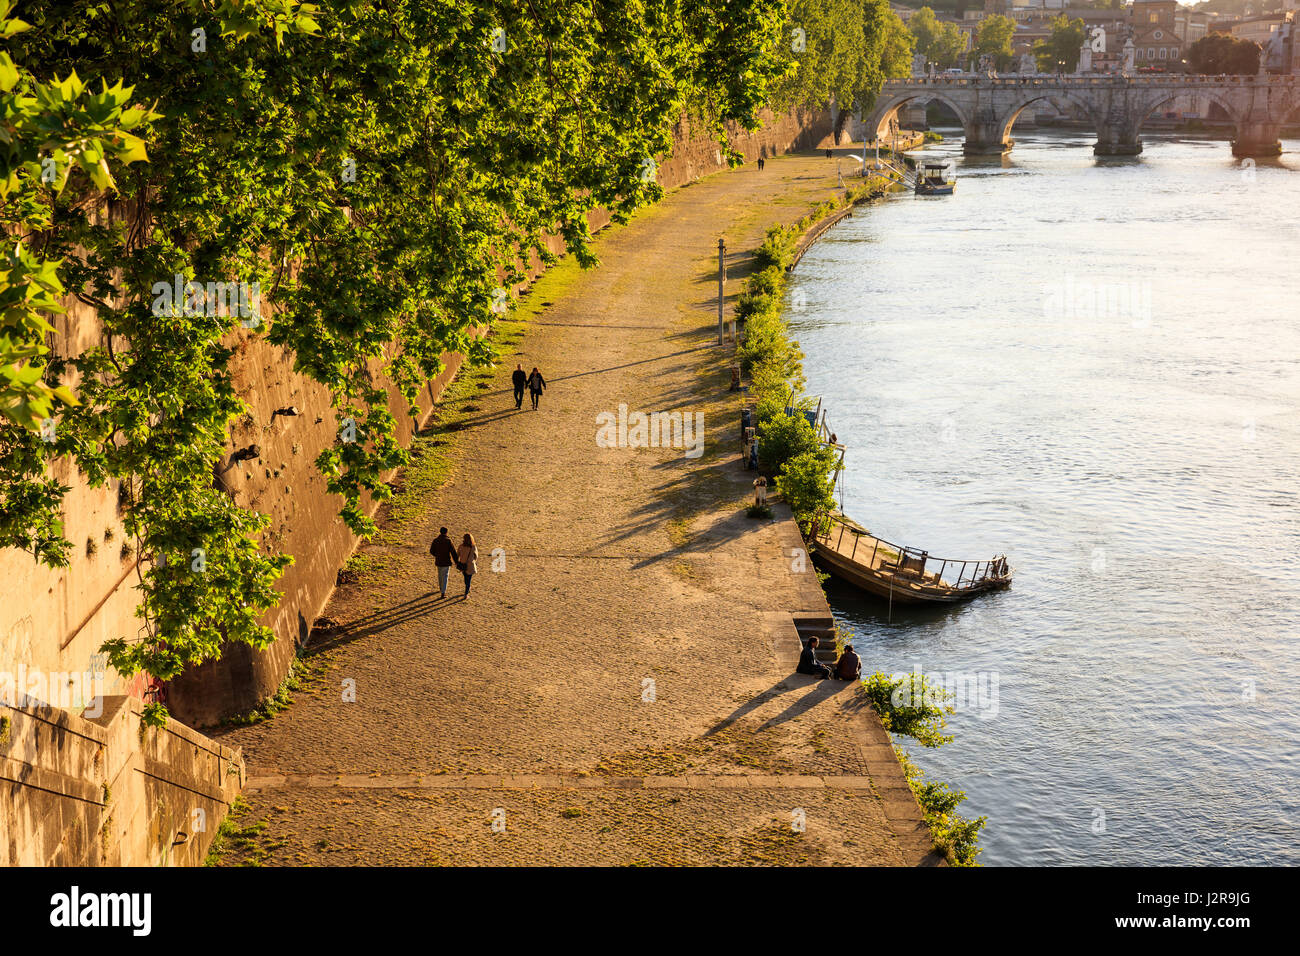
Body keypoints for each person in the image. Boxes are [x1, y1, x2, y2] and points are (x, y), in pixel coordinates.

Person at [429, 527, 456, 599]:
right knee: (445, 576)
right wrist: (457, 562)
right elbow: (453, 552)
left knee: (440, 575)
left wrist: (437, 555)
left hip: (438, 561)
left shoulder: (436, 540)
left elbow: (431, 551)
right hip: (446, 561)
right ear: (446, 532)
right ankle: (443, 592)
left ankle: (441, 588)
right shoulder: (448, 541)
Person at [456, 532, 478, 598]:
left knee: (466, 579)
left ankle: (467, 590)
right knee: (468, 579)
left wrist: (459, 561)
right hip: (470, 565)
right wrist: (473, 561)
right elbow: (476, 556)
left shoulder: (461, 546)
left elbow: (457, 555)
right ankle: (466, 593)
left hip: (463, 565)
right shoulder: (473, 547)